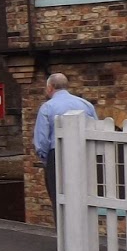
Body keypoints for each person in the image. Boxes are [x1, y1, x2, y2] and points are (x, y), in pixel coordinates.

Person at [34, 72, 96, 205]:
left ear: (50, 87)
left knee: (59, 199)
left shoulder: (47, 107)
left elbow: (42, 140)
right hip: (83, 154)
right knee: (84, 197)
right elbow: (95, 131)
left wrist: (46, 160)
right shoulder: (86, 105)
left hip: (56, 155)